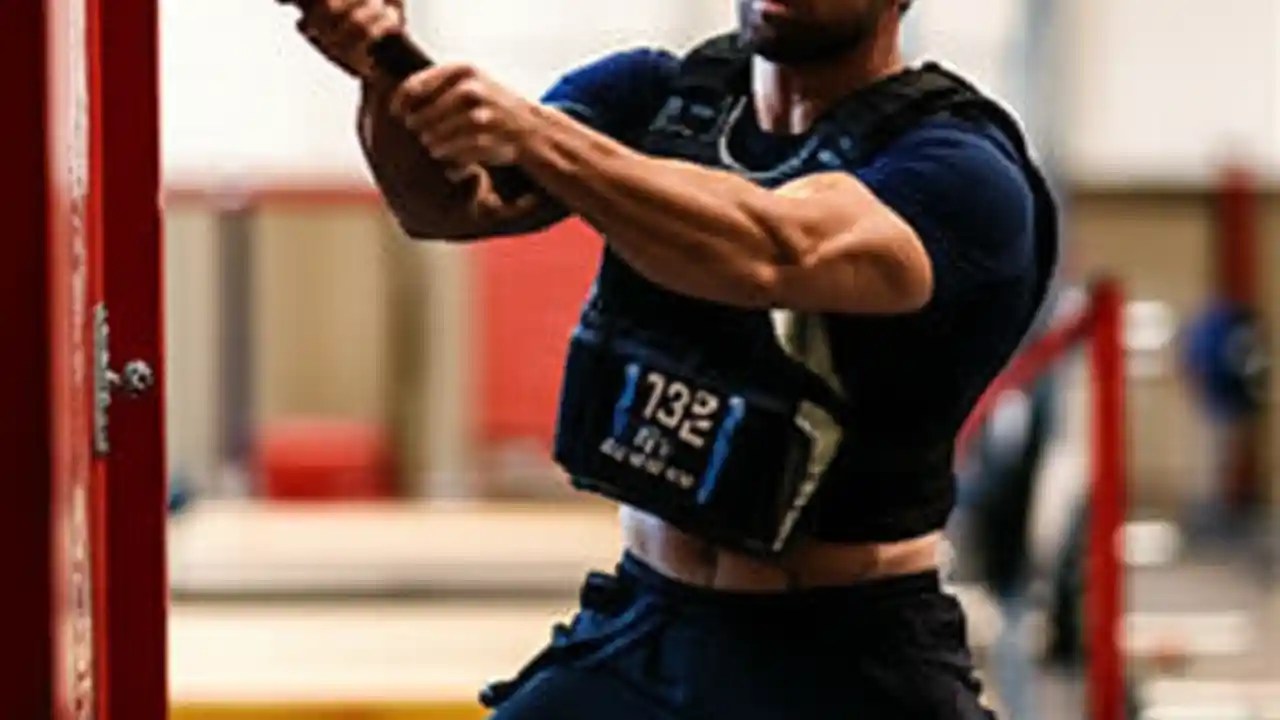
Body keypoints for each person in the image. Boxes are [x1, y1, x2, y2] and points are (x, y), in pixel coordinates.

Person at [293, 0, 1058, 717]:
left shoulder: (961, 170)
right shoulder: (659, 97)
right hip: (647, 622)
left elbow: (775, 250)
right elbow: (450, 203)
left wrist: (538, 136)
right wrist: (380, 70)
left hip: (844, 654)